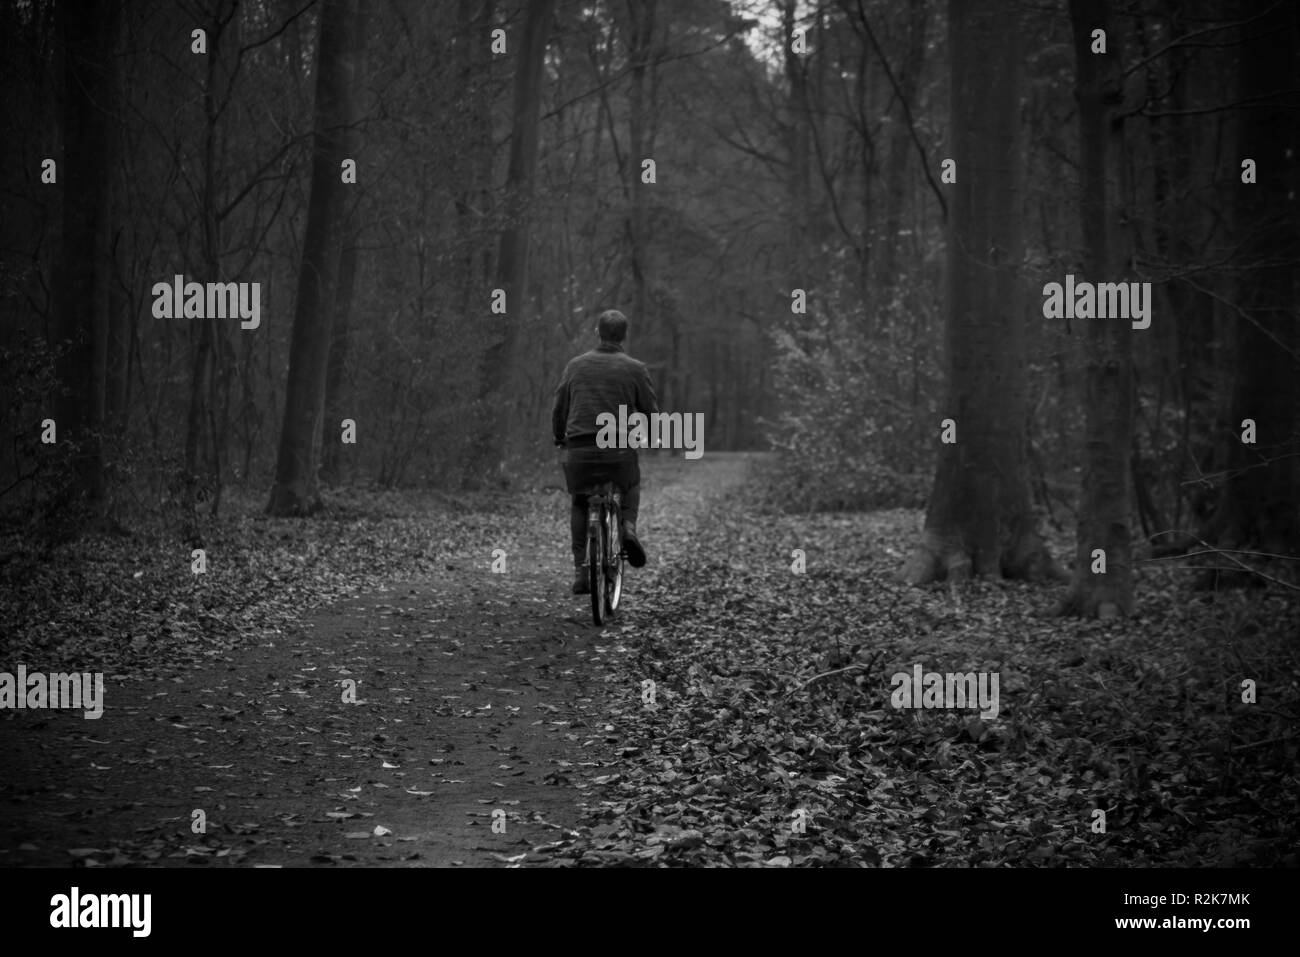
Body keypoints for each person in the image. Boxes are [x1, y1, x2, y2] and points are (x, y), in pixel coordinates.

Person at [551, 309, 659, 595]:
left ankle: (580, 571)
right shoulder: (635, 368)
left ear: (597, 333)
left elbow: (560, 407)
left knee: (580, 501)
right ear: (624, 336)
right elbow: (650, 412)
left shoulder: (575, 366)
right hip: (619, 450)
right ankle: (628, 529)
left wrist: (559, 436)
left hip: (580, 450)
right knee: (631, 483)